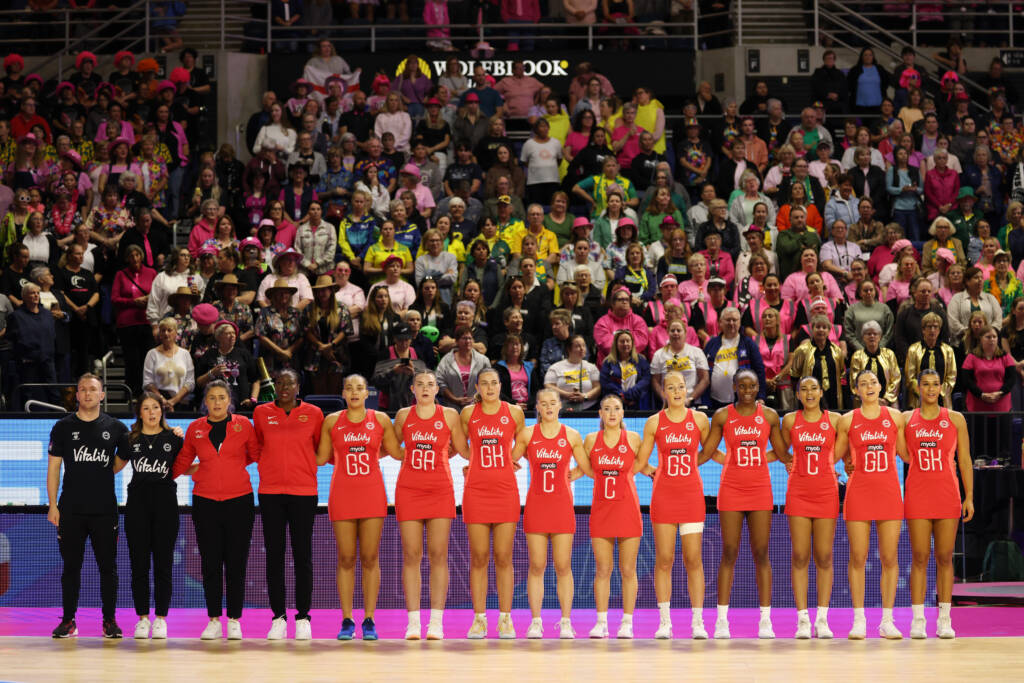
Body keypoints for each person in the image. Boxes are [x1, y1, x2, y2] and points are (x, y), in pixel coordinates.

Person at [703, 370, 788, 639]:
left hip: (760, 489)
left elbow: (784, 453)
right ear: (735, 387)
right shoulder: (722, 416)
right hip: (731, 489)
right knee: (729, 552)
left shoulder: (771, 416)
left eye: (752, 385)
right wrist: (672, 465)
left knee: (761, 552)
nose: (748, 390)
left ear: (758, 386)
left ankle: (765, 620)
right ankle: (721, 621)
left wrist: (768, 459)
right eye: (743, 386)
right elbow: (706, 452)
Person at [171, 381, 259, 640]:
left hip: (239, 501)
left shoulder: (244, 425)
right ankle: (213, 619)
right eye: (212, 398)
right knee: (210, 563)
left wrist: (229, 466)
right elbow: (183, 462)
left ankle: (234, 619)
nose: (217, 402)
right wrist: (159, 476)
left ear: (229, 400)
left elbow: (254, 454)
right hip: (205, 502)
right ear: (205, 402)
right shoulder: (195, 429)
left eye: (222, 397)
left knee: (236, 563)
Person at [315, 375, 400, 640]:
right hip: (342, 494)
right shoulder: (332, 421)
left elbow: (395, 452)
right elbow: (321, 458)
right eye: (349, 388)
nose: (354, 392)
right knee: (346, 557)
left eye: (359, 388)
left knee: (370, 557)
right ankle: (347, 619)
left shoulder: (381, 419)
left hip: (372, 494)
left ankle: (370, 619)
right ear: (343, 393)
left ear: (367, 393)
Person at [47, 374, 130, 639]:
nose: (87, 393)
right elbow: (54, 468)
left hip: (105, 510)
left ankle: (109, 621)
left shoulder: (116, 427)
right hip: (70, 509)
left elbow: (122, 459)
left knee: (108, 568)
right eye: (82, 389)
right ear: (77, 395)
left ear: (102, 395)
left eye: (93, 389)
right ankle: (69, 621)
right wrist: (52, 505)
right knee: (71, 567)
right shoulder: (62, 427)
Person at [392, 370, 469, 640]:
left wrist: (500, 456)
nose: (425, 388)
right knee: (412, 556)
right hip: (409, 491)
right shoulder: (403, 416)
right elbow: (391, 447)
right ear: (412, 389)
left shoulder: (449, 415)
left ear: (437, 389)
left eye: (430, 385)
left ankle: (436, 622)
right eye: (420, 385)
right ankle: (413, 622)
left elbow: (462, 447)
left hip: (440, 490)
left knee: (438, 555)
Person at [834, 370, 908, 640]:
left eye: (873, 382)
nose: (869, 387)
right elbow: (835, 454)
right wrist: (840, 464)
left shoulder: (895, 417)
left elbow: (907, 454)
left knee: (890, 558)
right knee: (858, 557)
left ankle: (887, 621)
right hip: (859, 494)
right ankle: (859, 620)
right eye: (863, 384)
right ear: (856, 390)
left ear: (881, 386)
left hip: (889, 493)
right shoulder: (848, 420)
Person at [637, 372, 711, 639]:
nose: (678, 391)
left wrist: (737, 460)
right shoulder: (654, 422)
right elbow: (640, 458)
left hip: (691, 497)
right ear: (664, 392)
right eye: (672, 387)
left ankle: (698, 622)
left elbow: (711, 451)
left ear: (687, 389)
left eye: (681, 387)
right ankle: (665, 622)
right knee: (665, 559)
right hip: (664, 498)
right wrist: (645, 469)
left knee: (693, 559)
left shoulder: (700, 420)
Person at [252, 369, 324, 641]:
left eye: (289, 383)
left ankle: (303, 617)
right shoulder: (261, 413)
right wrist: (268, 466)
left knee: (302, 555)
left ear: (298, 386)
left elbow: (321, 449)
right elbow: (255, 447)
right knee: (274, 556)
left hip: (304, 492)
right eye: (280, 382)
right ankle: (278, 617)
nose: (284, 387)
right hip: (270, 493)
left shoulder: (315, 414)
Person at [903, 369, 973, 640]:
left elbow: (965, 460)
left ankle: (944, 619)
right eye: (926, 384)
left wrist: (969, 497)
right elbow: (894, 448)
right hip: (918, 494)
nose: (931, 389)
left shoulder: (955, 419)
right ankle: (918, 619)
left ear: (942, 388)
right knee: (919, 557)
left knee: (945, 557)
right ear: (917, 387)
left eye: (935, 384)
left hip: (947, 494)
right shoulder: (907, 418)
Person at [461, 369, 526, 639]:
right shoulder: (468, 413)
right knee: (478, 557)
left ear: (501, 385)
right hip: (476, 491)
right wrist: (472, 461)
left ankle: (505, 619)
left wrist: (513, 458)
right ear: (477, 386)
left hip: (505, 490)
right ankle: (479, 619)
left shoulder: (514, 412)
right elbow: (459, 445)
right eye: (484, 383)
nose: (489, 387)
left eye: (494, 383)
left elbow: (523, 441)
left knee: (503, 557)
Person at [114, 393, 183, 640]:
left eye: (156, 407)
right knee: (139, 565)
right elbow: (113, 467)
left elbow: (187, 466)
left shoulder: (174, 438)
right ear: (139, 413)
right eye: (146, 408)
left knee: (164, 564)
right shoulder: (129, 439)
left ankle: (161, 619)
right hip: (137, 508)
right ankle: (142, 618)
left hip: (166, 507)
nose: (152, 412)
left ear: (161, 411)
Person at [781, 376, 841, 640]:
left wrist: (845, 465)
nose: (809, 392)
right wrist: (786, 461)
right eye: (803, 389)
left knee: (825, 556)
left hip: (827, 491)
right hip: (799, 492)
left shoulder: (836, 420)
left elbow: (847, 449)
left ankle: (822, 619)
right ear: (797, 394)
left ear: (821, 391)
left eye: (813, 388)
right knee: (800, 556)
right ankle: (803, 620)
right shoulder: (790, 421)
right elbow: (783, 452)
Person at [582, 394, 643, 639]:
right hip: (601, 511)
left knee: (628, 569)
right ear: (600, 413)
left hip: (628, 510)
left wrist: (654, 472)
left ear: (622, 413)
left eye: (616, 408)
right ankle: (601, 622)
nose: (611, 413)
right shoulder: (590, 440)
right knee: (603, 569)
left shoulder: (634, 439)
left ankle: (627, 622)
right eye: (606, 409)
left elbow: (641, 465)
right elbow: (583, 469)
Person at [544, 335, 601, 412]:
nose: (582, 349)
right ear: (569, 349)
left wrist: (585, 396)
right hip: (562, 409)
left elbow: (597, 387)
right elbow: (548, 386)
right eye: (577, 346)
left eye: (583, 345)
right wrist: (567, 395)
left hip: (588, 409)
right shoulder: (555, 367)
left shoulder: (591, 367)